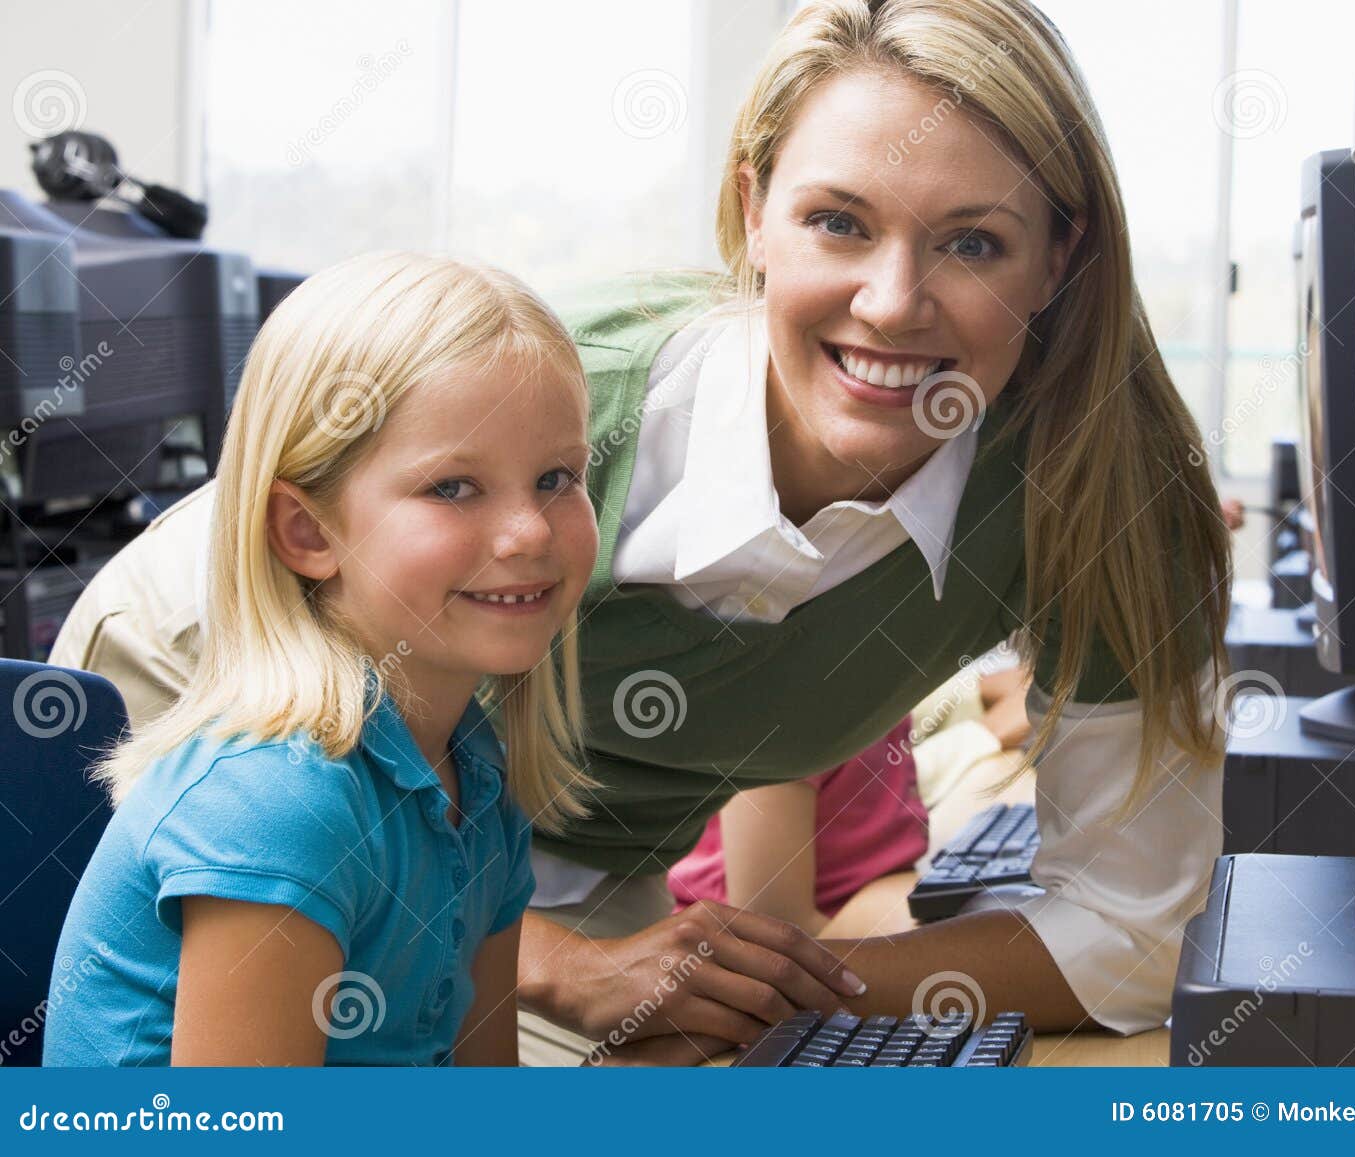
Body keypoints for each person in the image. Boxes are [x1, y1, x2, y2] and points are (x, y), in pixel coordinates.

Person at [51, 0, 1233, 1066]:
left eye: (973, 242)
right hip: (208, 680)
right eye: (836, 222)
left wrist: (789, 987)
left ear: (1060, 255)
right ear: (752, 207)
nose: (891, 301)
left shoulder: (1103, 495)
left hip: (503, 859)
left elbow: (1136, 925)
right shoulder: (574, 414)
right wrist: (549, 964)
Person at [43, 253, 599, 1066]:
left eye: (557, 476)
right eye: (452, 487)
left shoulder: (475, 776)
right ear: (307, 532)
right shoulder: (280, 802)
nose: (531, 532)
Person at [668, 717, 929, 935]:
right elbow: (771, 922)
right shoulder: (784, 721)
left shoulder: (884, 692)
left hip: (876, 898)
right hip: (785, 945)